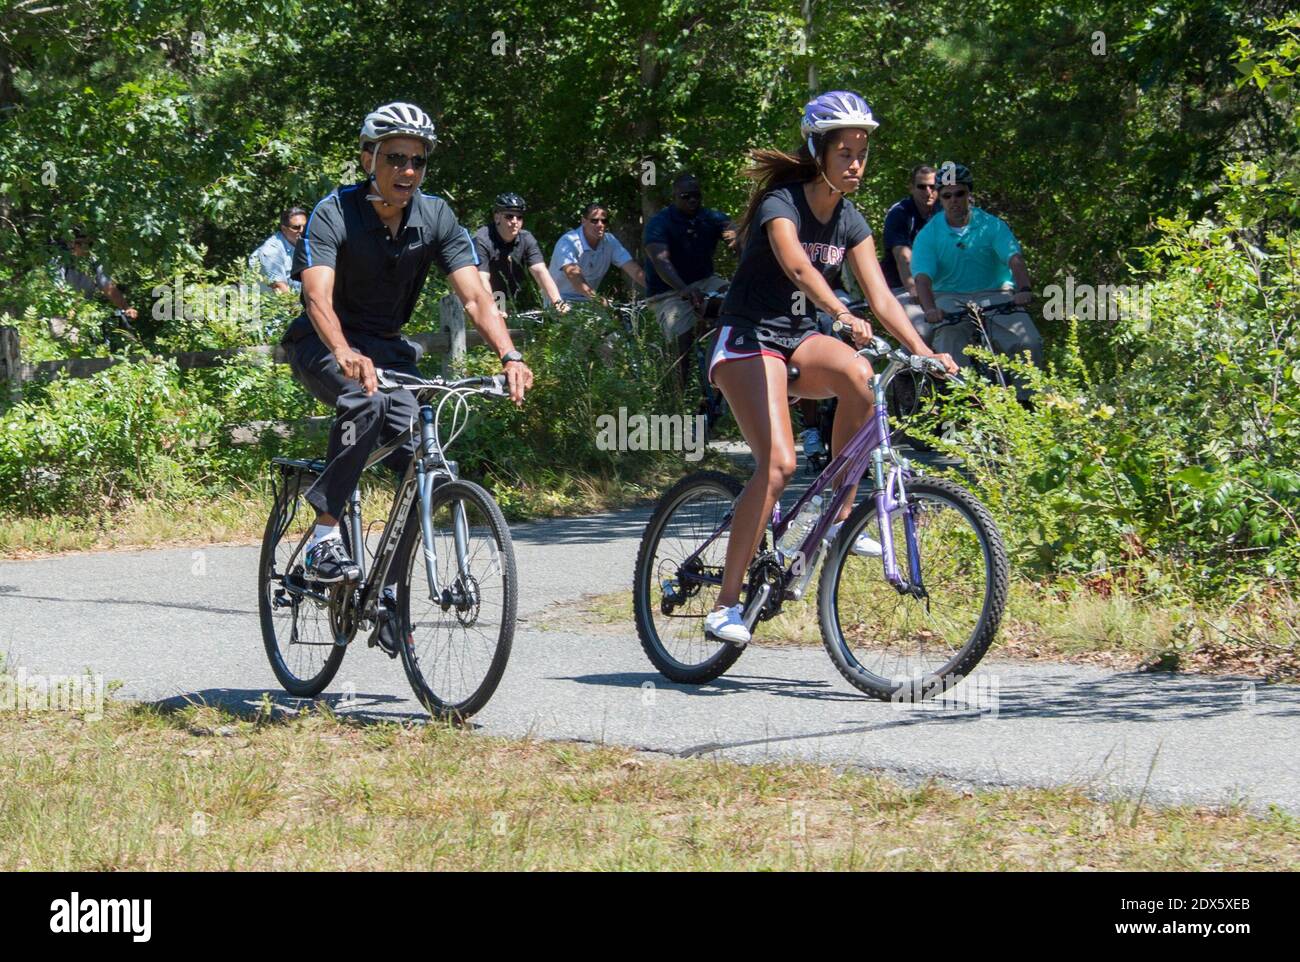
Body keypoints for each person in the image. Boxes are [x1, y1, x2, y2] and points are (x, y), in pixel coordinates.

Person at [703, 90, 956, 645]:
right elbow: (796, 265)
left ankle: (836, 514)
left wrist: (926, 350)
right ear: (819, 151)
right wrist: (839, 311)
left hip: (795, 343)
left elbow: (885, 298)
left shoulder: (852, 220)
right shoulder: (782, 204)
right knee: (777, 466)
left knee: (863, 379)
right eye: (846, 152)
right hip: (745, 342)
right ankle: (724, 605)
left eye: (863, 152)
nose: (857, 163)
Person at [282, 102, 533, 653]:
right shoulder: (334, 213)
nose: (408, 171)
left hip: (390, 349)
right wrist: (343, 349)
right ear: (369, 157)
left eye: (418, 161)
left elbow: (474, 296)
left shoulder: (437, 217)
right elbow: (315, 296)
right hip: (324, 341)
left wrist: (510, 355)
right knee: (364, 404)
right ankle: (325, 535)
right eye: (395, 157)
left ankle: (387, 594)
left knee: (425, 455)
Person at [911, 162, 1043, 398]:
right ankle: (961, 403)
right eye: (947, 195)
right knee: (948, 340)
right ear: (940, 199)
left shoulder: (991, 225)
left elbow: (1014, 258)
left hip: (995, 294)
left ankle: (1029, 405)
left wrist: (1023, 289)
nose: (954, 200)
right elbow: (922, 278)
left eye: (959, 193)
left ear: (969, 194)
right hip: (950, 297)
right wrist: (930, 309)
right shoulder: (929, 234)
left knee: (1028, 342)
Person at [643, 174, 735, 390]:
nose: (692, 201)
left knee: (737, 299)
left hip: (705, 281)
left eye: (696, 196)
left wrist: (739, 244)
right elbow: (661, 262)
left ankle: (727, 373)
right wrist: (685, 290)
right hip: (668, 292)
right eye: (686, 196)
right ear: (674, 197)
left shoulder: (709, 217)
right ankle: (677, 397)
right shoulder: (660, 223)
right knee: (682, 339)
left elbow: (735, 233)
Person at [473, 192, 569, 317]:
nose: (515, 221)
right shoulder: (482, 239)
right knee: (488, 327)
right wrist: (492, 308)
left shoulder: (526, 238)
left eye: (519, 217)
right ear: (497, 217)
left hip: (506, 297)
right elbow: (482, 278)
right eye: (509, 216)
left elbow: (540, 272)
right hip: (477, 296)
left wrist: (557, 302)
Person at [548, 203, 645, 303]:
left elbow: (633, 269)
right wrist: (598, 300)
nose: (600, 225)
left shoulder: (610, 241)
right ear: (583, 221)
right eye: (594, 221)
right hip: (559, 300)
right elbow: (574, 277)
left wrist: (655, 288)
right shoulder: (568, 242)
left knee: (613, 318)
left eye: (604, 221)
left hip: (588, 300)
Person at [50, 230, 139, 325]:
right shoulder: (59, 260)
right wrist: (71, 309)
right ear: (71, 244)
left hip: (83, 314)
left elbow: (108, 287)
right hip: (58, 313)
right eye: (80, 243)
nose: (85, 248)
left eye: (89, 244)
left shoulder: (94, 261)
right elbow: (58, 290)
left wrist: (126, 308)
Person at [250, 208, 307, 294]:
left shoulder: (303, 244)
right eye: (296, 227)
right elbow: (280, 289)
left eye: (305, 227)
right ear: (284, 229)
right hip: (274, 305)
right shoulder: (271, 252)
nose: (302, 231)